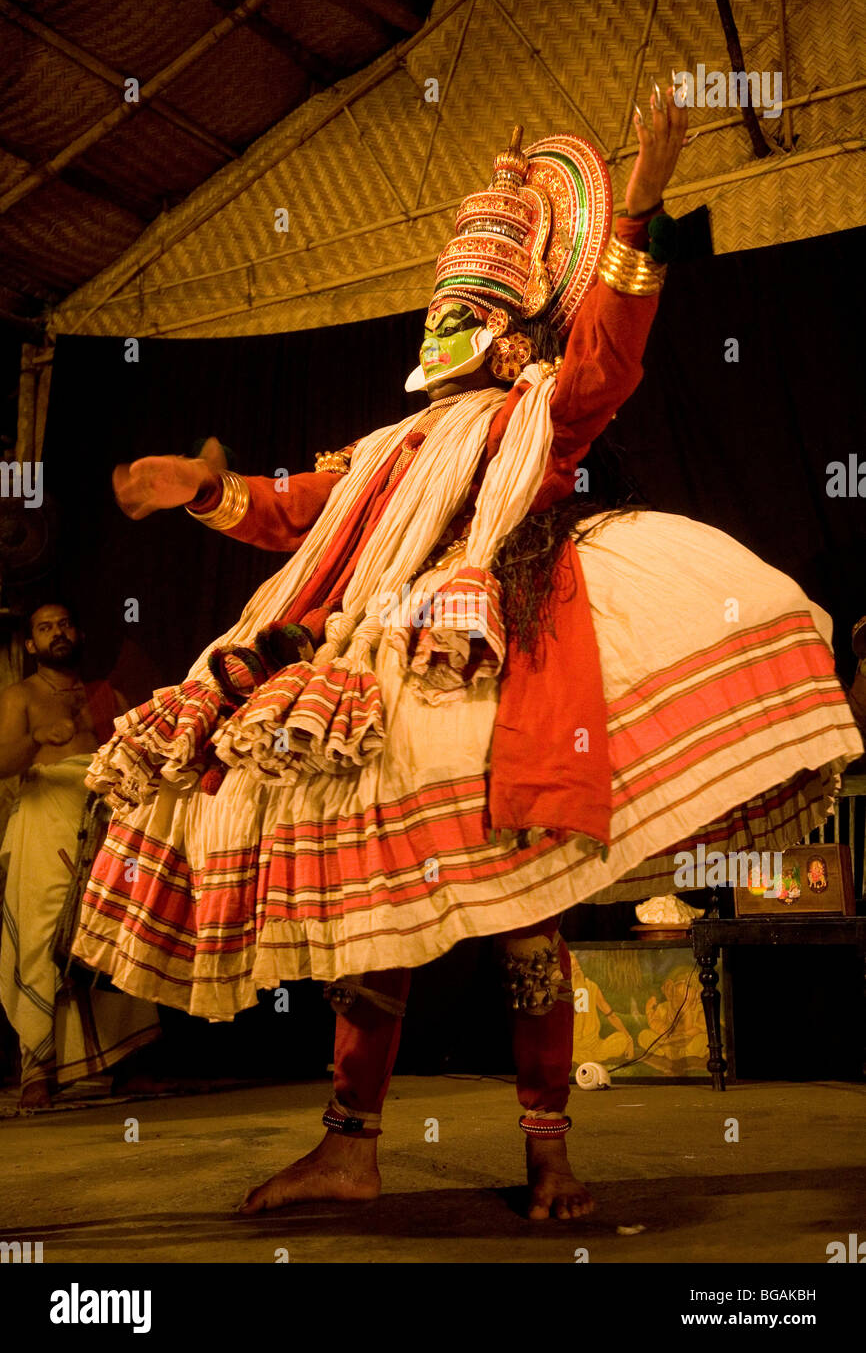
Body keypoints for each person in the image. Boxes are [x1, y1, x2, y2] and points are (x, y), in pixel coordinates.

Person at [72, 89, 862, 1219]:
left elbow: (607, 359)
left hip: (484, 670)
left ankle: (549, 1157)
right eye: (436, 315)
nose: (435, 334)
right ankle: (351, 1146)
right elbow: (296, 509)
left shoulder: (542, 407)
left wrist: (633, 213)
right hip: (370, 676)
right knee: (376, 922)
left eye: (459, 317)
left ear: (502, 332)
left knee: (527, 920)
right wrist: (202, 488)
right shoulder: (393, 441)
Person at [0, 603, 160, 1109]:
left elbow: (140, 751)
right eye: (45, 629)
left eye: (64, 624)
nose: (57, 634)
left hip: (106, 817)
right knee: (43, 934)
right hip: (46, 818)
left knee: (113, 929)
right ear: (30, 645)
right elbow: (1, 762)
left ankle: (117, 1061)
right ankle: (37, 1068)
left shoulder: (106, 694)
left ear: (79, 631)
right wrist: (35, 740)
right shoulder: (20, 696)